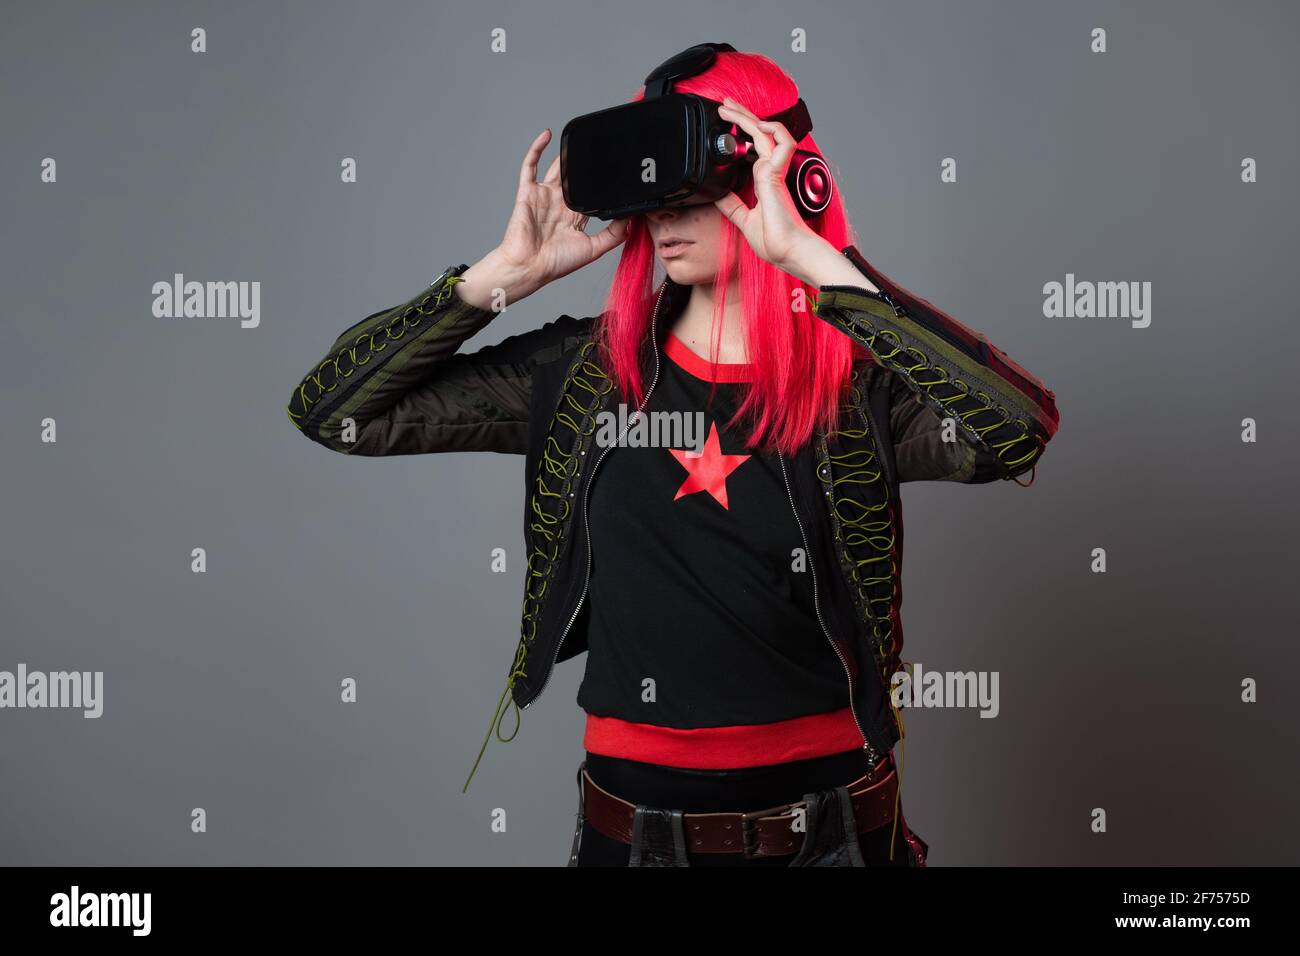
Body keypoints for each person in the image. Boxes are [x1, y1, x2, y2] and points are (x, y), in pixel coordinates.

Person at [287, 48, 1059, 866]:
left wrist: (817, 261)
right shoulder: (586, 376)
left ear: (785, 181)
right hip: (633, 838)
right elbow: (335, 414)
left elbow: (1016, 429)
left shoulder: (854, 389)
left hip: (835, 833)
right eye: (654, 193)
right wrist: (500, 277)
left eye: (695, 192)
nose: (665, 216)